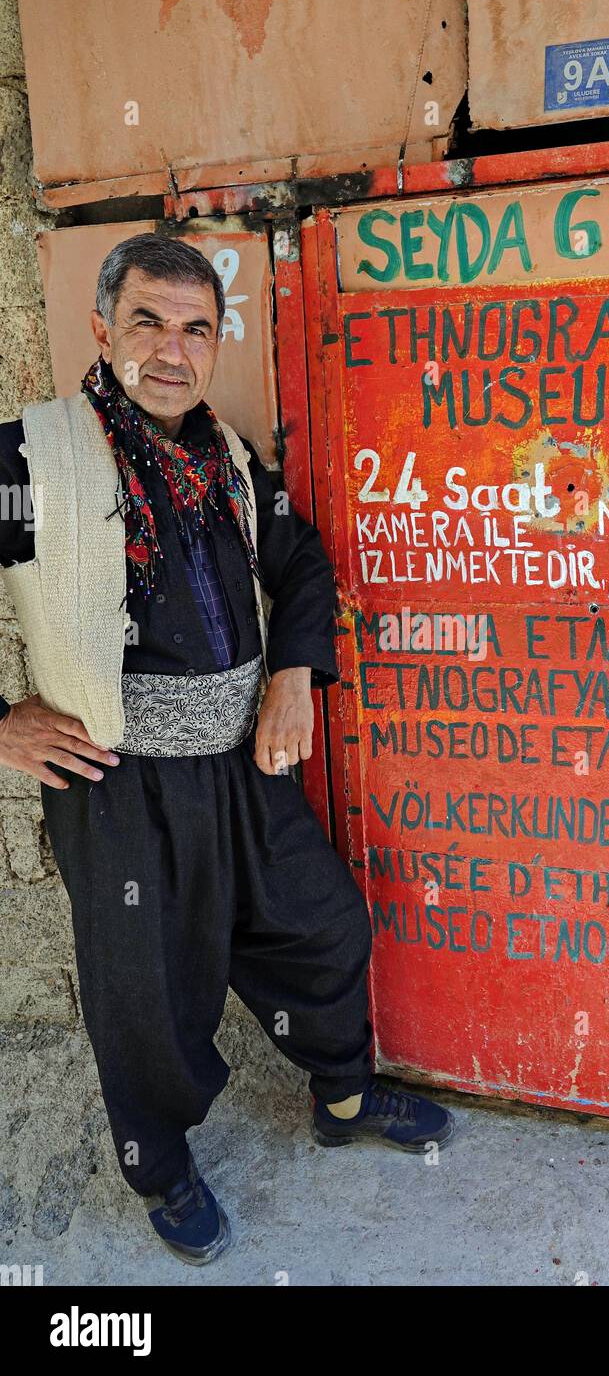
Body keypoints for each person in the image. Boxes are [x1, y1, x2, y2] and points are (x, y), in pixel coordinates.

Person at [0, 234, 453, 1266]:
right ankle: (159, 1169)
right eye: (148, 322)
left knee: (322, 924)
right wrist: (3, 721)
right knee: (146, 988)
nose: (171, 349)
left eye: (194, 327)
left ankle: (340, 1097)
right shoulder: (30, 458)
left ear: (216, 342)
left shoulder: (231, 461)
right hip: (117, 782)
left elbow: (302, 567)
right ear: (102, 329)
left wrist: (293, 674)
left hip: (243, 766)